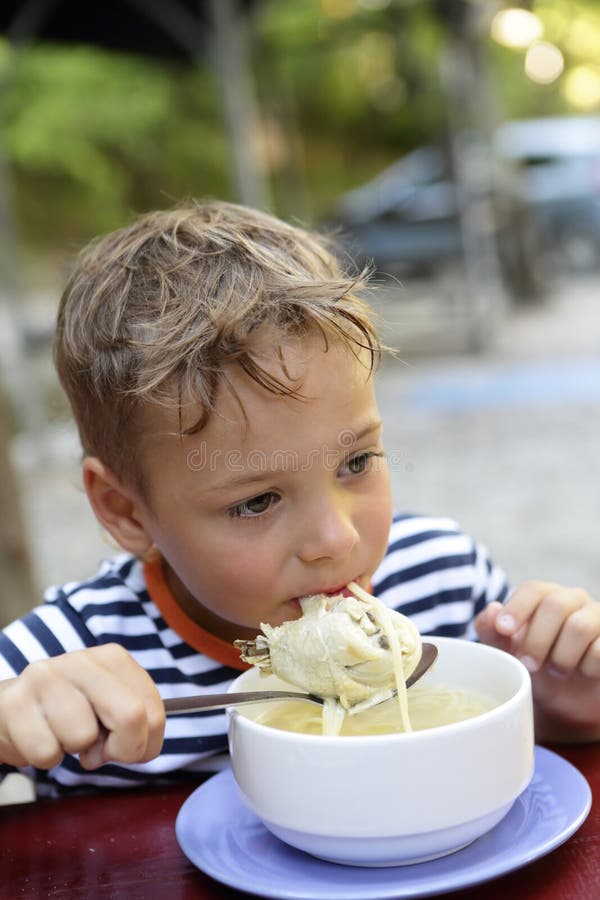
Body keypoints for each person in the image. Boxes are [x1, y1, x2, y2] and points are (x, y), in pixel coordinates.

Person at [0, 201, 599, 798]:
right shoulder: (66, 651)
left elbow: (517, 747)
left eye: (356, 463)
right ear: (126, 512)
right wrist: (14, 722)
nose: (337, 540)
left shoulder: (443, 583)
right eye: (257, 502)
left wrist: (568, 710)